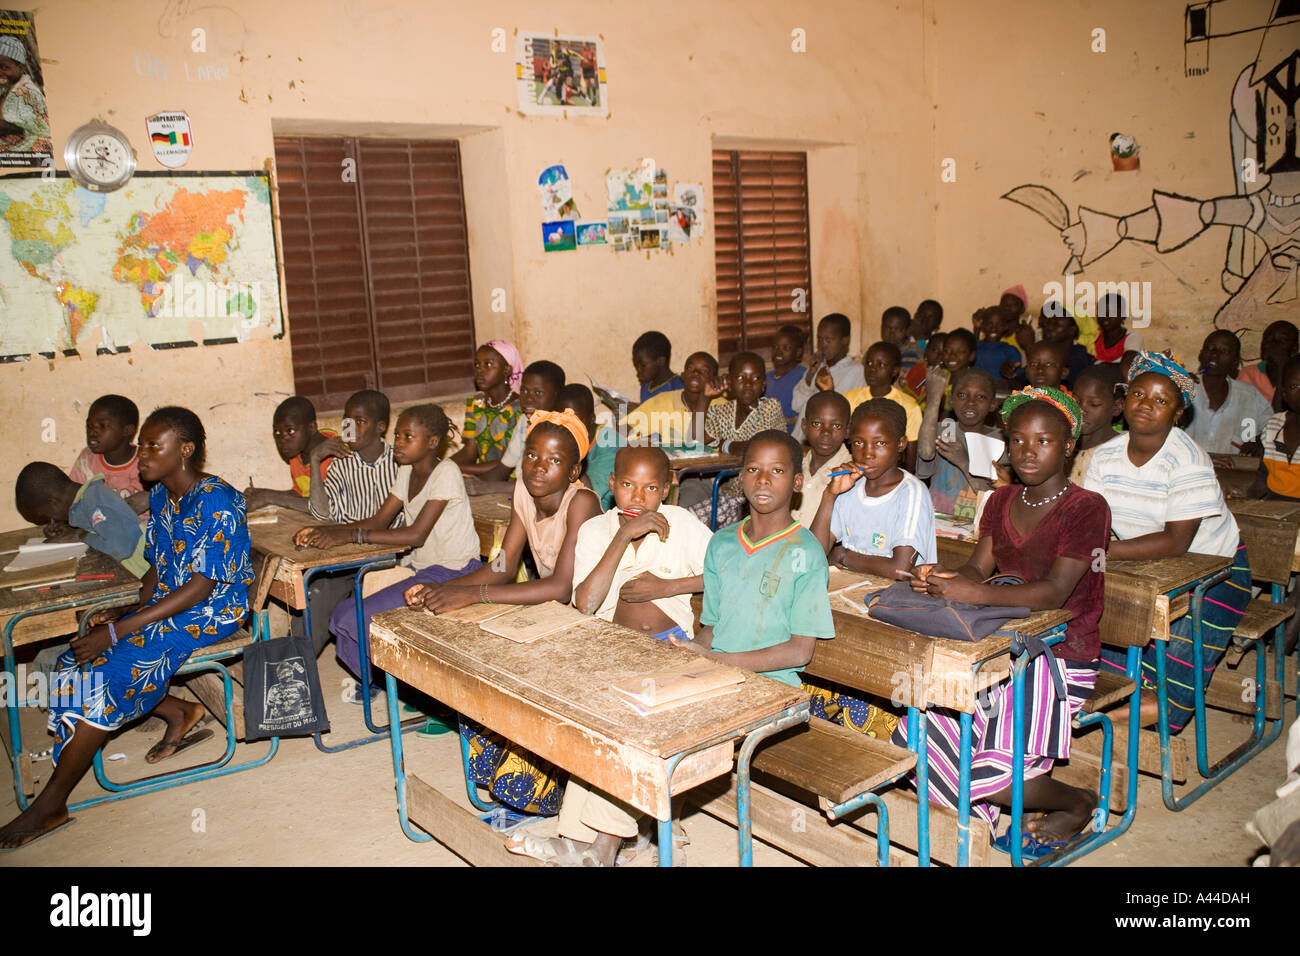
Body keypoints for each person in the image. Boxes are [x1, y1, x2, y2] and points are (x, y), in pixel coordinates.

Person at [0, 406, 252, 850]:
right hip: (172, 602)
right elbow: (159, 565)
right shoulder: (161, 497)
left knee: (107, 672)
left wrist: (120, 632)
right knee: (70, 659)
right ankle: (178, 711)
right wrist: (127, 607)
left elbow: (199, 587)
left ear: (186, 450)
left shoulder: (217, 499)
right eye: (144, 447)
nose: (143, 456)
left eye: (155, 446)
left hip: (212, 608)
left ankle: (51, 805)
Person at [899, 386, 1111, 857]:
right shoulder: (999, 501)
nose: (1027, 452)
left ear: (1069, 445)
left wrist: (973, 592)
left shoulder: (1086, 507)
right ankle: (978, 826)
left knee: (992, 777)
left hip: (1059, 653)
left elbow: (1056, 592)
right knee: (926, 735)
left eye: (1043, 441)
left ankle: (1078, 801)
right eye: (1017, 441)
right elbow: (979, 568)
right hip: (999, 643)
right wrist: (942, 578)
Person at [406, 410, 603, 814]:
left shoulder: (580, 502)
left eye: (554, 460)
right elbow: (503, 566)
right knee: (481, 658)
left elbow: (560, 586)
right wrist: (445, 588)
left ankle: (551, 788)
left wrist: (474, 595)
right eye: (531, 455)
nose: (538, 467)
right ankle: (501, 772)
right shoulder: (523, 493)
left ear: (574, 470)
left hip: (594, 620)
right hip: (554, 616)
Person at [1083, 351, 1252, 733]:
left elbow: (1177, 543)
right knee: (1103, 624)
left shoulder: (1186, 460)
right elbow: (1094, 521)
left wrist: (1104, 552)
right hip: (1144, 564)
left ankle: (1099, 723)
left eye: (1161, 400)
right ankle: (1105, 709)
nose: (1146, 406)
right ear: (1124, 400)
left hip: (1213, 571)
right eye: (1140, 395)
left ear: (1178, 413)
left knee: (1176, 670)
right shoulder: (1105, 457)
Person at [296, 405, 481, 694]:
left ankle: (405, 686)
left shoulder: (446, 472)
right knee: (342, 616)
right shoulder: (407, 471)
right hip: (418, 568)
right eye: (397, 435)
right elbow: (380, 520)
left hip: (453, 571)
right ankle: (382, 681)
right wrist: (330, 532)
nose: (399, 443)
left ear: (432, 442)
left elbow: (416, 534)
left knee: (354, 618)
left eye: (408, 436)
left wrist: (352, 536)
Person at [668, 428, 835, 689]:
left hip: (772, 686)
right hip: (717, 674)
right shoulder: (722, 542)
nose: (763, 480)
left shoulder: (805, 552)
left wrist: (718, 661)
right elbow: (713, 628)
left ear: (797, 482)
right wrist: (692, 653)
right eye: (754, 469)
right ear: (741, 476)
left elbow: (800, 651)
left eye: (777, 471)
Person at [810, 398, 936, 578]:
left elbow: (900, 570)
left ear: (901, 444)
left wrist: (843, 555)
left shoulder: (911, 493)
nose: (867, 453)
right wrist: (829, 495)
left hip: (895, 599)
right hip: (848, 592)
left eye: (880, 443)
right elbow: (814, 554)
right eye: (859, 443)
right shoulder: (849, 487)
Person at [689, 351, 787, 527]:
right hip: (730, 495)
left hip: (762, 494)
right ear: (730, 382)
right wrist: (705, 397)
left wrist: (723, 444)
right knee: (688, 522)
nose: (748, 384)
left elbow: (758, 448)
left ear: (764, 384)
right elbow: (695, 441)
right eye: (741, 378)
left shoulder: (770, 408)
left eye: (755, 379)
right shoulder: (723, 411)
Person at [14, 462, 149, 578]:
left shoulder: (94, 500)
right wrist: (72, 530)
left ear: (53, 502)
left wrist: (81, 536)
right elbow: (102, 529)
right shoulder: (86, 501)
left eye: (47, 515)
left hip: (148, 579)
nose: (52, 519)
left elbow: (119, 548)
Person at [466, 360, 565, 493]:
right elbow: (504, 468)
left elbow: (543, 485)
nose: (528, 398)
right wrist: (474, 483)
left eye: (538, 393)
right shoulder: (525, 420)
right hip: (518, 493)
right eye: (524, 390)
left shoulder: (561, 431)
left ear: (557, 396)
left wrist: (489, 487)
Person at [916, 366, 1000, 519]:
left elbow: (991, 496)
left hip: (976, 523)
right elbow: (926, 453)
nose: (970, 402)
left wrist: (963, 462)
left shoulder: (999, 441)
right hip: (935, 518)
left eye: (980, 397)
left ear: (993, 404)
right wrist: (934, 397)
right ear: (951, 401)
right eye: (962, 395)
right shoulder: (942, 430)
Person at [1186, 329, 1271, 456]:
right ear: (1201, 354)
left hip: (1233, 473)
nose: (1214, 354)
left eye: (1224, 351)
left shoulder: (1249, 397)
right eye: (1210, 348)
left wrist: (1259, 441)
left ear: (1235, 362)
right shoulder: (1184, 389)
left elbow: (1274, 428)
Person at [244, 396, 336, 513]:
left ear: (312, 427)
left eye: (290, 431)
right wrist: (262, 493)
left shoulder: (335, 455)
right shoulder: (297, 456)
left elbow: (325, 506)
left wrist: (269, 498)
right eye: (277, 432)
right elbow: (300, 494)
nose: (282, 440)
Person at [842, 341, 923, 467]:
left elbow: (911, 458)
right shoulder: (850, 397)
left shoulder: (909, 406)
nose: (872, 369)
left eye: (881, 365)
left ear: (895, 371)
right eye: (869, 363)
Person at [452, 340, 525, 474]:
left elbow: (506, 463)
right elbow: (470, 451)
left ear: (507, 370)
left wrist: (451, 469)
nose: (480, 370)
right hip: (481, 476)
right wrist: (443, 465)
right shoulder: (476, 404)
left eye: (488, 364)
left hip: (509, 482)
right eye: (477, 364)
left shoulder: (520, 409)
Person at [625, 351, 722, 448]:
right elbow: (625, 427)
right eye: (690, 368)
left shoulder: (723, 407)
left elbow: (694, 444)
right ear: (682, 376)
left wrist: (705, 397)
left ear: (714, 379)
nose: (696, 373)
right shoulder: (662, 401)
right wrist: (645, 444)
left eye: (704, 371)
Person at [68, 394, 146, 512]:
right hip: (101, 527)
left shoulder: (147, 459)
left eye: (102, 426)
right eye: (89, 426)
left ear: (127, 430)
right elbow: (74, 498)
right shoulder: (87, 460)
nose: (93, 432)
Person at [790, 313, 866, 430]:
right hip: (802, 437)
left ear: (845, 340)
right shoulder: (816, 366)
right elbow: (796, 405)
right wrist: (810, 375)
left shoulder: (856, 371)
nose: (822, 345)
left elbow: (849, 415)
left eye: (828, 340)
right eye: (819, 339)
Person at [791, 391, 852, 529]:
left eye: (836, 426)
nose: (826, 432)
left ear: (847, 430)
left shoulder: (850, 476)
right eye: (817, 424)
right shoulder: (793, 466)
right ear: (805, 426)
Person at [1068, 364, 1124, 480]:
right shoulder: (1061, 446)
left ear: (1117, 407)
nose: (1081, 410)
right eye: (1076, 401)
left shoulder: (1125, 453)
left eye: (1094, 404)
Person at [0, 35, 50, 158]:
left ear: (21, 67)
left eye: (4, 67)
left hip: (27, 154)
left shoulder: (29, 93)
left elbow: (42, 130)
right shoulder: (6, 88)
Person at [1238, 320, 1299, 409]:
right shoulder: (1249, 373)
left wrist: (1281, 368)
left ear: (1294, 349)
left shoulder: (1297, 377)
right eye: (1268, 339)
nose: (1273, 345)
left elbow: (1282, 413)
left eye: (1282, 340)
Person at [766, 324, 808, 428]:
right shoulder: (765, 378)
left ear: (798, 352)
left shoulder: (805, 376)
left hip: (793, 438)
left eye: (786, 348)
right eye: (775, 347)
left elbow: (813, 412)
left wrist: (790, 420)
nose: (778, 352)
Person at [1092, 293, 1144, 364]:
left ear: (1123, 315)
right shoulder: (1093, 337)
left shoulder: (1132, 338)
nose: (1106, 318)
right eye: (1101, 313)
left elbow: (1129, 363)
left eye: (1112, 313)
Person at [632, 331, 681, 402]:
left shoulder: (678, 386)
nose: (638, 371)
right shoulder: (645, 387)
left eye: (643, 366)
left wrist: (640, 411)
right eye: (636, 365)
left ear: (661, 361)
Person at [881, 306, 923, 378]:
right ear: (881, 328)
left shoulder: (913, 351)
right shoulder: (877, 349)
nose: (891, 333)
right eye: (887, 328)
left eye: (897, 329)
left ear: (907, 330)